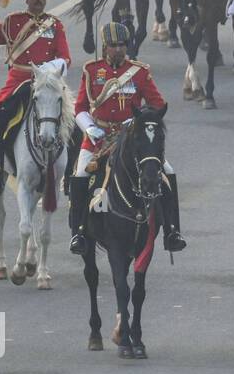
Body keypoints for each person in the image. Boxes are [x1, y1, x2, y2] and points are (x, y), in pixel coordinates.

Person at [68, 22, 184, 255]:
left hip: (132, 140)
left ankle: (173, 231)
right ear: (104, 47)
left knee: (168, 173)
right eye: (113, 45)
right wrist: (89, 128)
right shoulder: (92, 70)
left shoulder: (139, 72)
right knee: (79, 175)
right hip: (97, 140)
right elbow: (79, 108)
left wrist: (137, 123)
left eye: (122, 45)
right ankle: (78, 233)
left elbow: (158, 105)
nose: (119, 50)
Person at [0, 0, 71, 195]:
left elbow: (65, 59)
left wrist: (46, 72)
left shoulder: (55, 25)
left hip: (47, 83)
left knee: (74, 124)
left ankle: (70, 178)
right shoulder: (13, 22)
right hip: (17, 82)